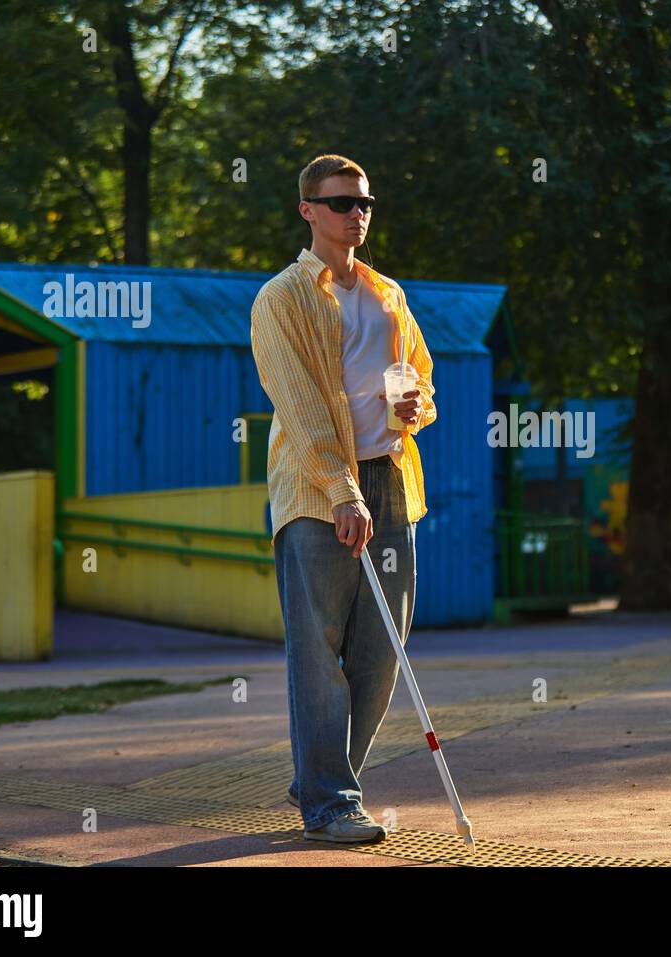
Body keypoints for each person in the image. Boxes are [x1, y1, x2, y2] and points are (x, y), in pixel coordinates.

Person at [250, 154, 437, 844]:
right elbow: (299, 409)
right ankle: (330, 803)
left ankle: (325, 779)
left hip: (390, 478)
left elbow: (419, 375)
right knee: (317, 647)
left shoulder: (388, 293)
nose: (355, 214)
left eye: (365, 202)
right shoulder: (282, 298)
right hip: (316, 488)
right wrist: (340, 492)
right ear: (307, 210)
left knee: (382, 649)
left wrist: (416, 404)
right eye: (340, 203)